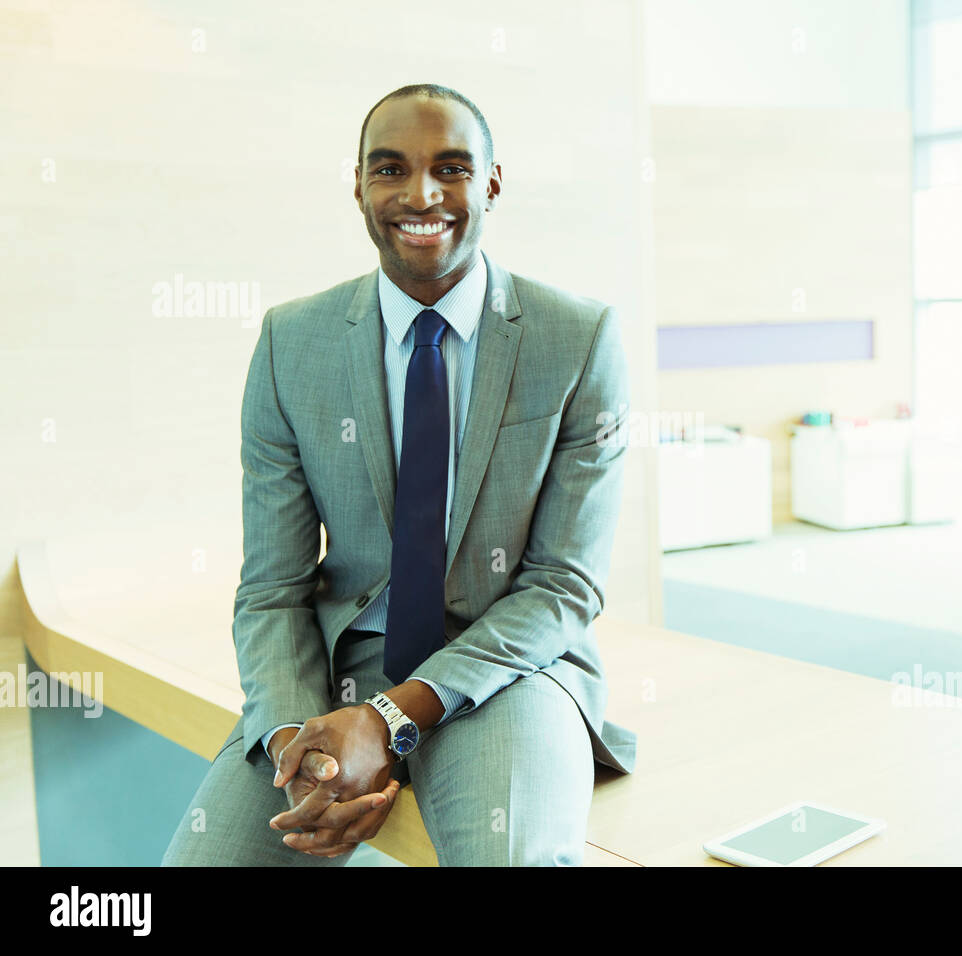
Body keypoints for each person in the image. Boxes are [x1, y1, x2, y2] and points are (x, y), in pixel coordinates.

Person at [162, 83, 636, 867]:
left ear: (490, 183)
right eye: (390, 170)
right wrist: (296, 746)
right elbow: (272, 587)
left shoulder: (579, 338)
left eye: (451, 168)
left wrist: (387, 721)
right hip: (337, 673)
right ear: (358, 186)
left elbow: (564, 586)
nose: (421, 195)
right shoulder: (292, 344)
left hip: (510, 668)